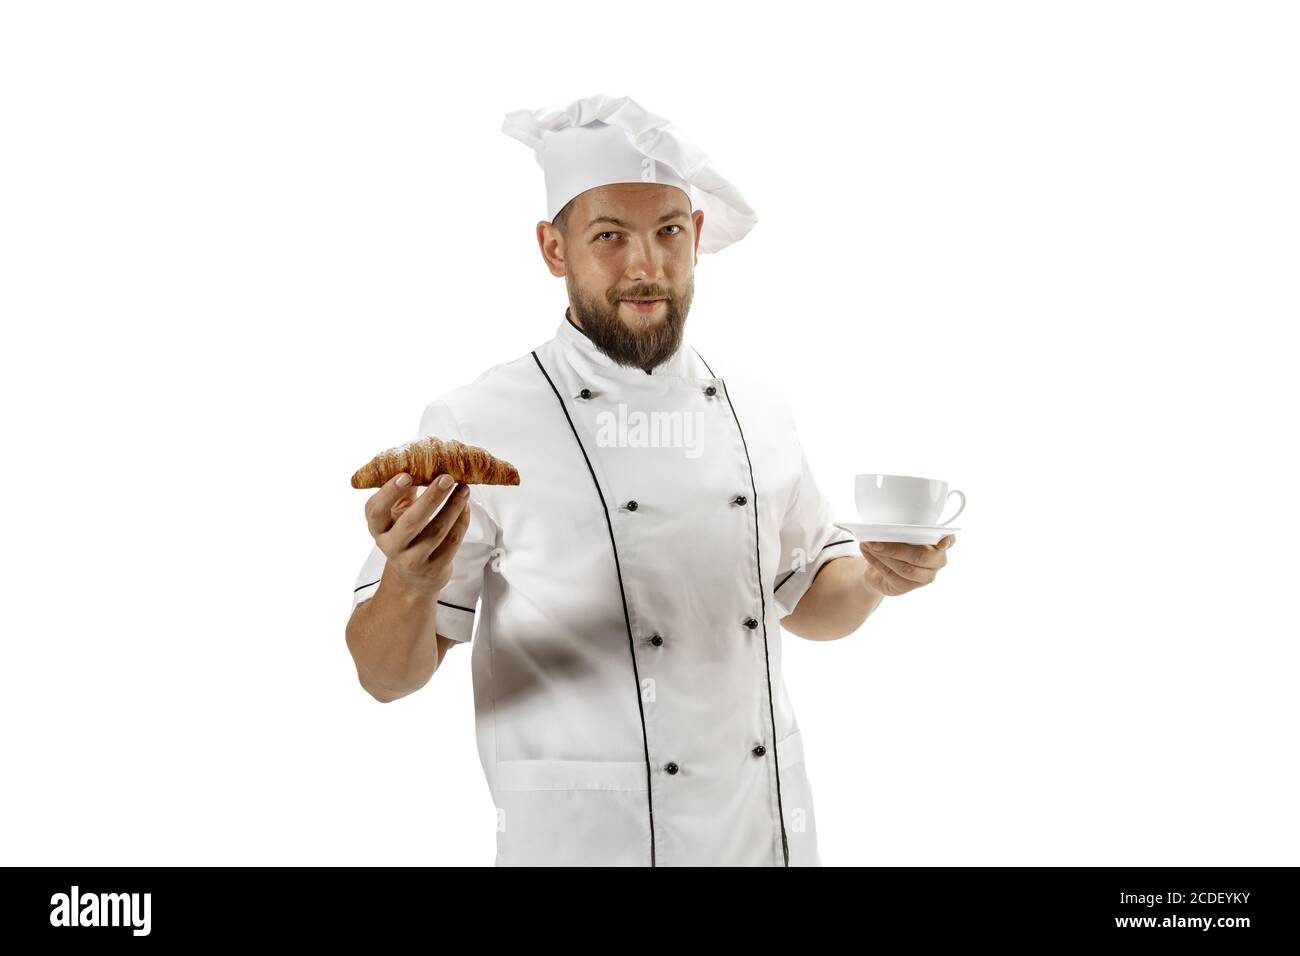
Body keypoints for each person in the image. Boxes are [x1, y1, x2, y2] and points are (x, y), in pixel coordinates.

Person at [345, 94, 956, 866]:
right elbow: (383, 678)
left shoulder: (759, 409)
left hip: (760, 838)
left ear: (696, 237)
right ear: (553, 249)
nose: (645, 267)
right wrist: (405, 581)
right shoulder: (480, 423)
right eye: (609, 237)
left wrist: (874, 576)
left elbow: (808, 601)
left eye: (669, 231)